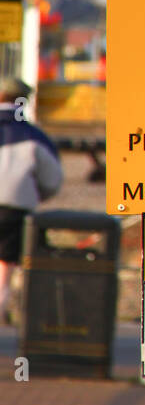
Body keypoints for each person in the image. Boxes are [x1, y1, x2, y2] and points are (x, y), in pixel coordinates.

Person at [0, 78, 63, 323]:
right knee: (5, 266)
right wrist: (32, 195)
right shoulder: (34, 136)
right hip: (14, 209)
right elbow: (51, 180)